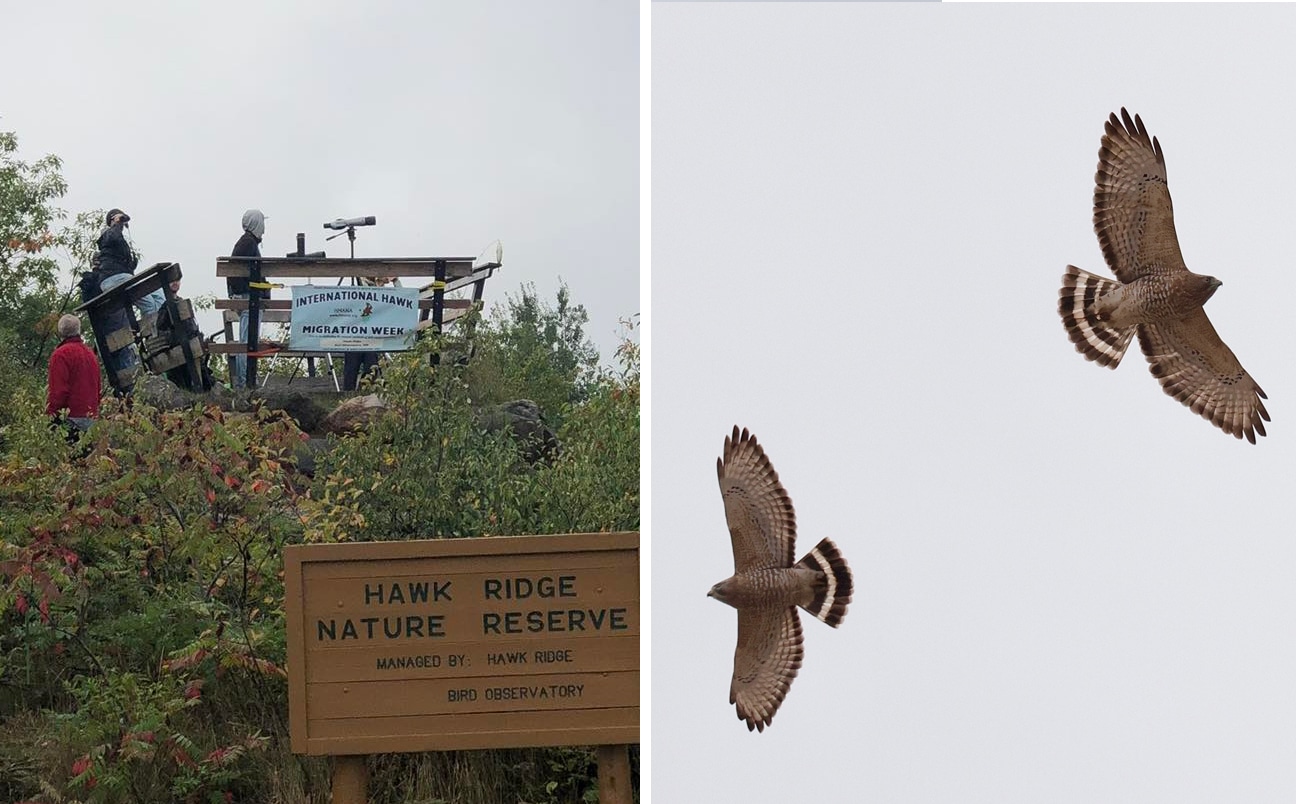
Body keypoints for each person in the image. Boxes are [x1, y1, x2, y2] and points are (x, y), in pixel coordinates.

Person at [228, 209, 267, 389]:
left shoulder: (245, 243)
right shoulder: (248, 244)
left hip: (244, 296)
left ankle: (246, 381)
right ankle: (244, 383)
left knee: (248, 340)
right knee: (247, 342)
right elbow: (244, 274)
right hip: (248, 298)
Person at [46, 314, 101, 441]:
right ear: (78, 330)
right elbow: (98, 385)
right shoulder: (90, 353)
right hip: (91, 418)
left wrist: (50, 416)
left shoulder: (60, 355)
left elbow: (58, 392)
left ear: (60, 331)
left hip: (72, 419)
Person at [157, 279, 214, 392]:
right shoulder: (165, 307)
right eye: (172, 280)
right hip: (176, 348)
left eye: (177, 280)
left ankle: (207, 387)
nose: (175, 283)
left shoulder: (181, 302)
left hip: (188, 344)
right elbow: (162, 327)